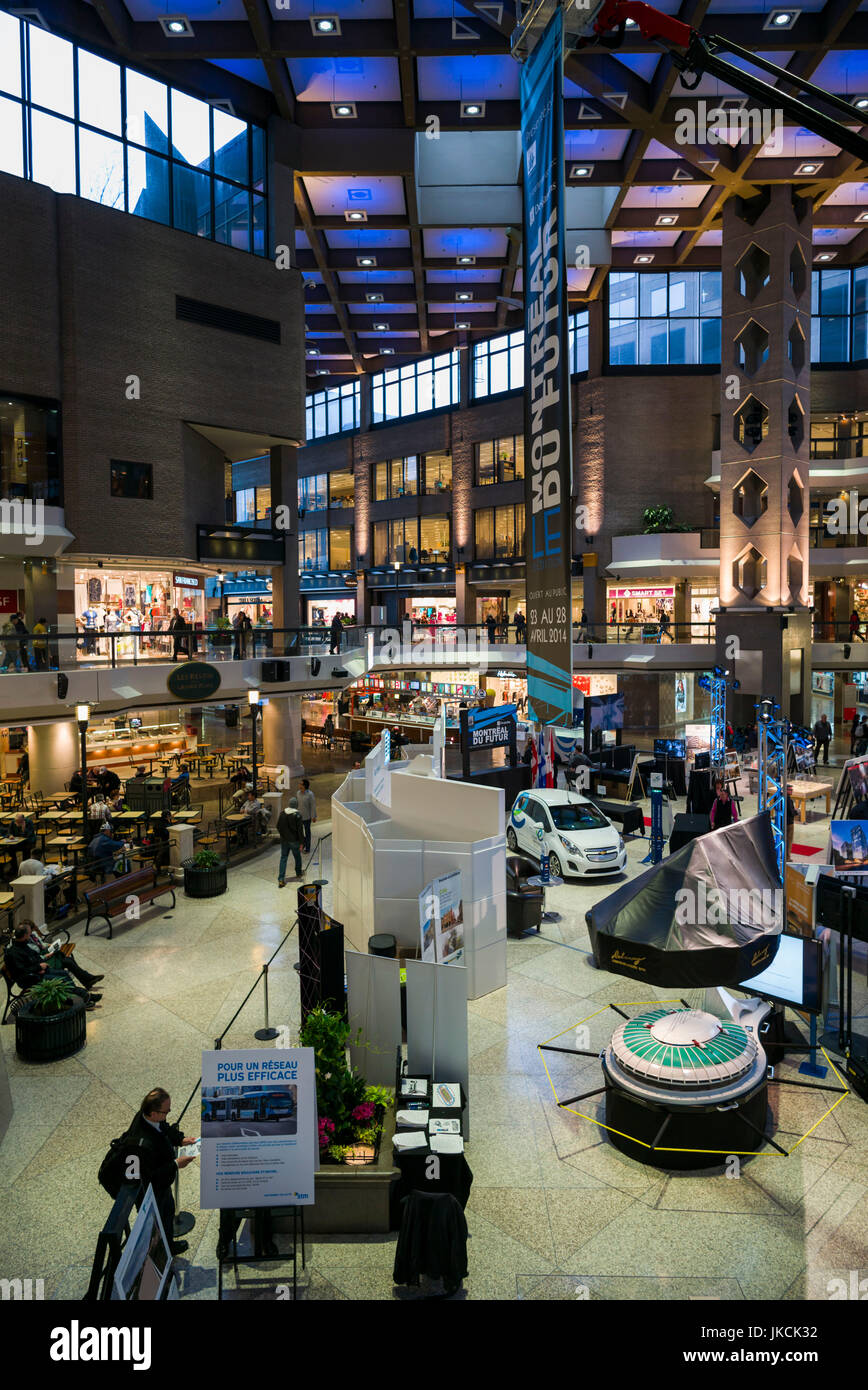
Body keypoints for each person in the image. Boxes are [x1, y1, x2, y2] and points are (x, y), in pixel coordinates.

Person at [122, 1089, 198, 1255]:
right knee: (157, 1222)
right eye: (166, 1111)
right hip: (150, 1192)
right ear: (153, 1112)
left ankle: (168, 1246)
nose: (168, 1113)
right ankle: (159, 1255)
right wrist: (176, 1165)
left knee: (168, 1213)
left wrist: (181, 1139)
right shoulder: (139, 1142)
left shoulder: (150, 1118)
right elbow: (149, 1177)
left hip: (163, 1186)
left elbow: (164, 1128)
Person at [6, 920, 103, 1008]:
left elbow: (34, 957)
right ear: (25, 935)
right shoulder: (14, 953)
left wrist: (40, 965)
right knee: (62, 979)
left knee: (64, 974)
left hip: (38, 972)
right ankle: (85, 997)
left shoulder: (22, 945)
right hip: (30, 978)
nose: (30, 935)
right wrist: (38, 967)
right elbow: (21, 970)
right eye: (29, 933)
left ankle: (81, 996)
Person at [277, 797, 305, 886]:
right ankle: (298, 872)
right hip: (294, 841)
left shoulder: (282, 813)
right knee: (297, 857)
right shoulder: (297, 815)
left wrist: (283, 835)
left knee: (283, 858)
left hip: (284, 840)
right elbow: (300, 830)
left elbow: (278, 826)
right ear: (296, 805)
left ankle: (281, 879)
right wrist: (302, 843)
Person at [297, 778, 317, 854]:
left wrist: (313, 816)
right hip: (299, 817)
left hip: (307, 817)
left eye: (301, 784)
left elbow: (313, 806)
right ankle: (303, 843)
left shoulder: (310, 794)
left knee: (307, 833)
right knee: (299, 833)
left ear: (305, 786)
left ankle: (307, 848)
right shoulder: (298, 793)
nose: (299, 785)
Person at [786, 783, 796, 859]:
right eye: (790, 790)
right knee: (789, 840)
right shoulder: (788, 800)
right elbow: (791, 812)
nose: (792, 791)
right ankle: (787, 857)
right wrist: (796, 812)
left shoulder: (778, 798)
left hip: (782, 822)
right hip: (789, 823)